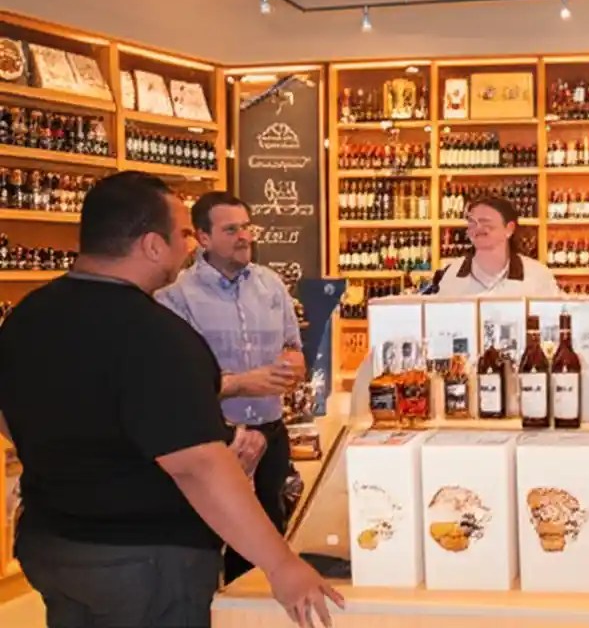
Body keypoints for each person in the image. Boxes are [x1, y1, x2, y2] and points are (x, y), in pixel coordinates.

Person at [0, 171, 341, 628]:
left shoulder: (27, 316)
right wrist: (282, 566)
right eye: (182, 233)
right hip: (143, 562)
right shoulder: (155, 335)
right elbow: (196, 465)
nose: (188, 247)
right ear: (151, 245)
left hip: (51, 546)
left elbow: (13, 415)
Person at [156, 191, 305, 584]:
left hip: (272, 433)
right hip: (213, 440)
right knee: (207, 542)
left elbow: (293, 347)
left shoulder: (272, 285)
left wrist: (292, 365)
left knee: (269, 541)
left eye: (246, 227)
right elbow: (171, 382)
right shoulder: (175, 297)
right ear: (202, 238)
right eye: (231, 229)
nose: (244, 237)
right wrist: (240, 384)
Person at [428, 194, 561, 296]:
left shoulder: (538, 276)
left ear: (509, 229)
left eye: (486, 222)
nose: (478, 228)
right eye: (472, 222)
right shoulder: (452, 274)